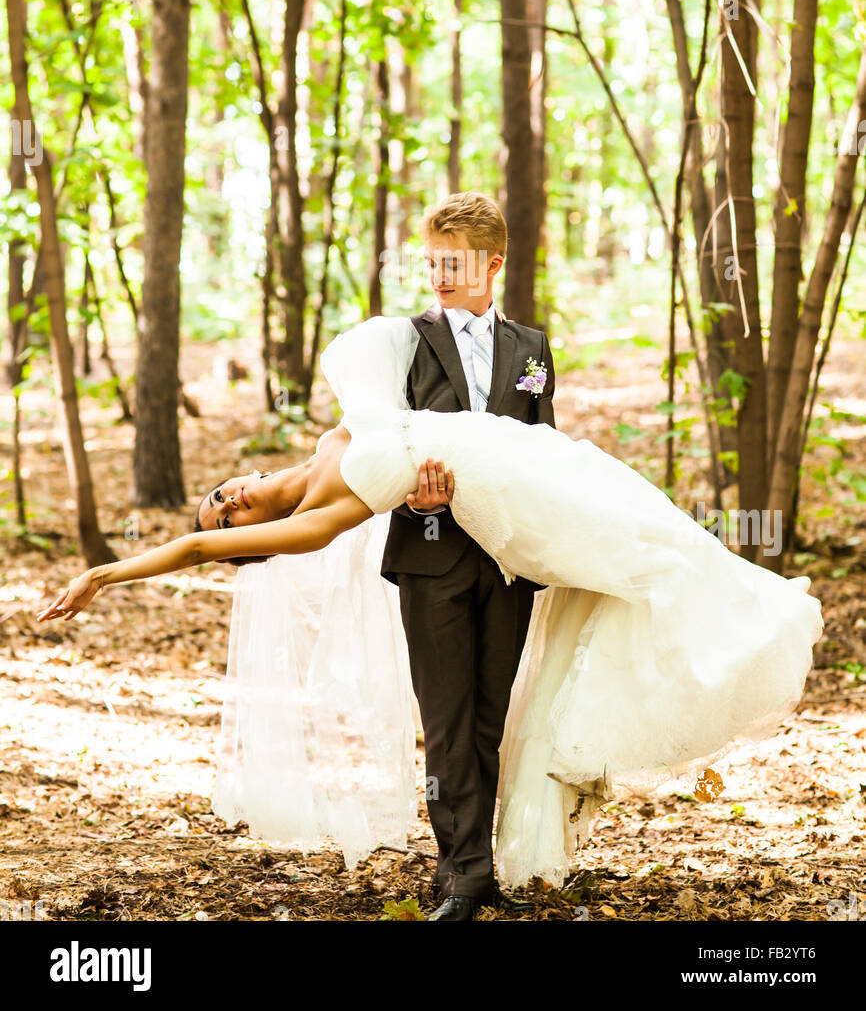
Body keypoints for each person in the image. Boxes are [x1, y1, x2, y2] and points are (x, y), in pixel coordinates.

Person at [37, 202, 824, 914]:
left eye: (221, 491)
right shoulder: (383, 394)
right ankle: (464, 869)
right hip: (433, 558)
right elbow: (203, 545)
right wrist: (105, 574)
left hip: (519, 537)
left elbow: (538, 435)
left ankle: (741, 606)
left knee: (525, 676)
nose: (231, 499)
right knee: (448, 721)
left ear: (488, 265)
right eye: (228, 511)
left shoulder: (525, 349)